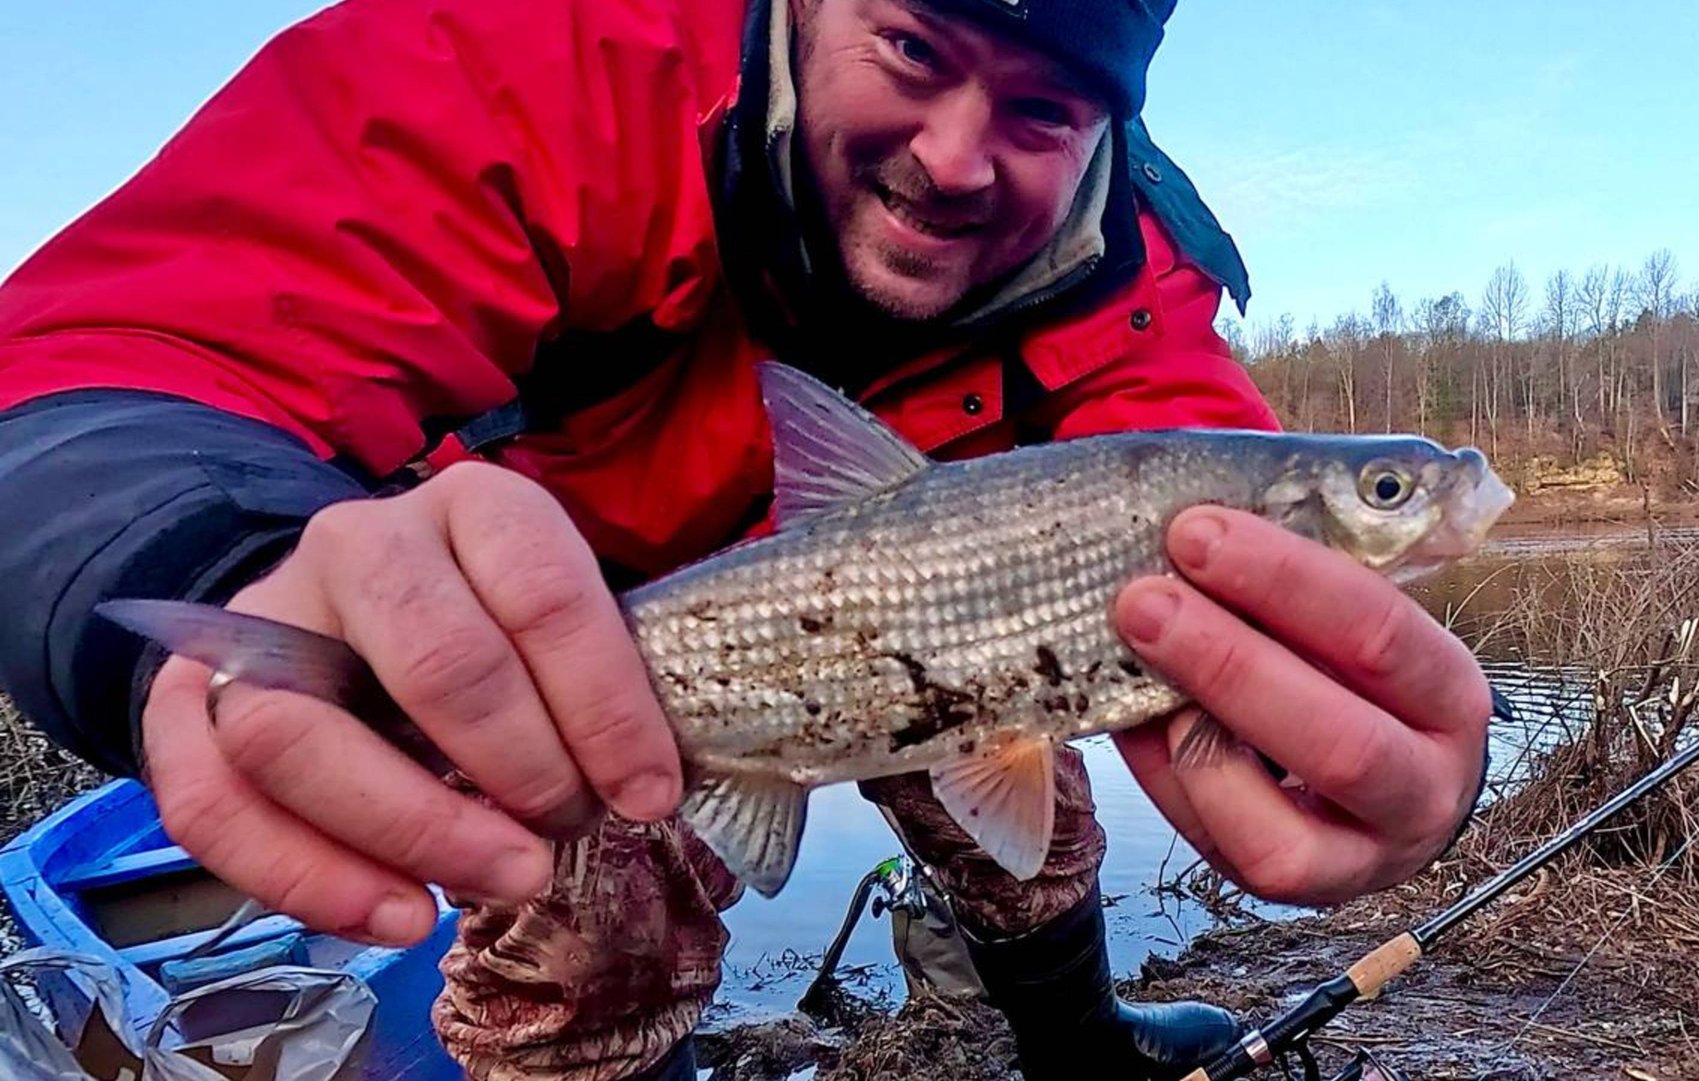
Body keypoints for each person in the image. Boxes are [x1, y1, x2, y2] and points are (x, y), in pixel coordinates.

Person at [0, 1, 1496, 1078]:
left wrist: (1402, 744)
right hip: (563, 633)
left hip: (930, 611)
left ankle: (1080, 1049)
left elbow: (1256, 532)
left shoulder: (1132, 290)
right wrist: (215, 562)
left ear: (1109, 122)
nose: (960, 158)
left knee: (1045, 798)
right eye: (914, 49)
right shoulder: (557, 55)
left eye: (1040, 112)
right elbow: (116, 351)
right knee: (599, 927)